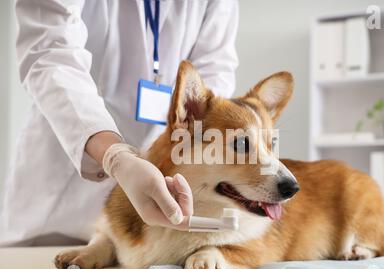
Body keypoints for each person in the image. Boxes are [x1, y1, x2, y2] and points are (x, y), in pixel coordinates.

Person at [0, 0, 238, 246]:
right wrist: (116, 157)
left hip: (151, 219)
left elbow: (214, 71)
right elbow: (49, 53)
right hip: (60, 205)